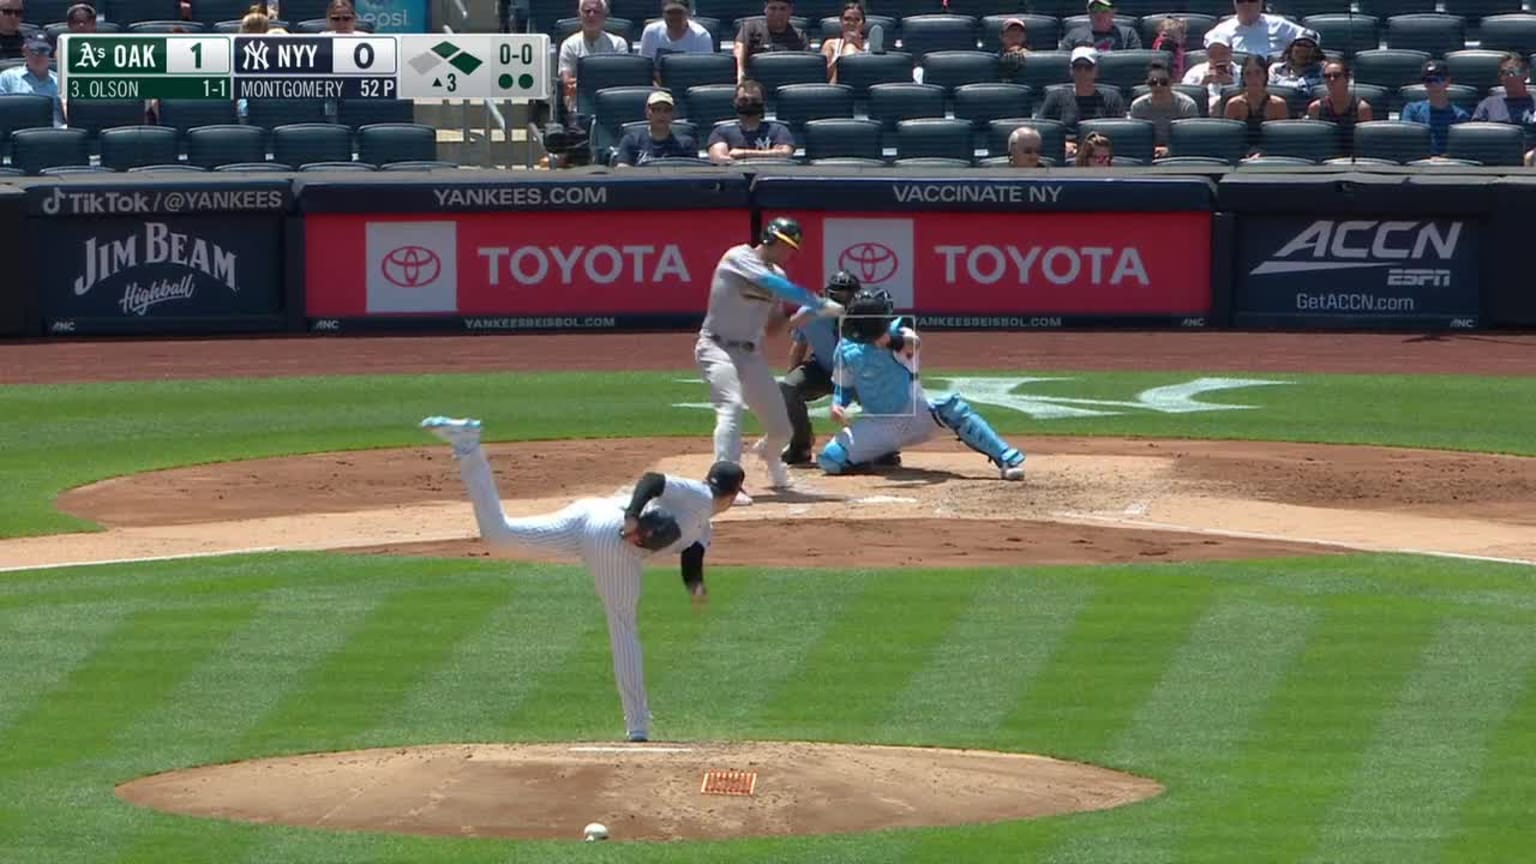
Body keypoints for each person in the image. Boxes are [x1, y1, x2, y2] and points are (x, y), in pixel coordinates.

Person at [420, 415, 746, 743]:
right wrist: (633, 518)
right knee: (623, 627)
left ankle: (468, 446)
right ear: (732, 497)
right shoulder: (700, 496)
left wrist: (696, 587)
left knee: (500, 538)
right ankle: (638, 726)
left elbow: (692, 558)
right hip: (613, 536)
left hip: (588, 516)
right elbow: (652, 479)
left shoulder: (703, 526)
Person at [696, 217, 845, 501]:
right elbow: (773, 284)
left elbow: (774, 329)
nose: (789, 253)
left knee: (781, 428)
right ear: (769, 239)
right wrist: (819, 302)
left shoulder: (779, 274)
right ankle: (724, 483)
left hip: (749, 354)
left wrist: (810, 313)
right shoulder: (738, 257)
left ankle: (769, 456)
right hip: (716, 348)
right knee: (730, 406)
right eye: (785, 245)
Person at [816, 289, 1026, 481]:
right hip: (877, 425)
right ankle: (873, 455)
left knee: (953, 408)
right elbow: (844, 387)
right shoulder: (846, 349)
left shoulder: (903, 335)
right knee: (830, 460)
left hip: (917, 416)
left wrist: (889, 341)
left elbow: (913, 345)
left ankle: (1006, 458)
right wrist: (837, 404)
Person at [777, 270, 870, 466]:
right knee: (788, 388)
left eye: (849, 295)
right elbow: (799, 344)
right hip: (823, 369)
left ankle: (883, 447)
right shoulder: (808, 313)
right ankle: (801, 445)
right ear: (827, 294)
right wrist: (789, 386)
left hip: (858, 375)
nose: (843, 301)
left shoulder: (868, 316)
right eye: (838, 295)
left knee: (881, 394)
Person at [1036, 46, 1126, 156]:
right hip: (1066, 155)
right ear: (1071, 70)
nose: (1082, 72)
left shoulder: (1112, 98)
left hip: (1099, 157)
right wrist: (1061, 145)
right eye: (1077, 67)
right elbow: (1040, 130)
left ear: (1096, 71)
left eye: (1087, 67)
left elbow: (1120, 135)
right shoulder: (1055, 97)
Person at [559, 0, 631, 117]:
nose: (591, 15)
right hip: (580, 108)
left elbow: (622, 81)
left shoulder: (618, 43)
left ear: (604, 16)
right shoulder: (569, 45)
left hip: (612, 105)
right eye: (587, 11)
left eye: (596, 12)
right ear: (579, 14)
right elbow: (566, 82)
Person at [706, 78, 794, 164]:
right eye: (743, 100)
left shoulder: (778, 130)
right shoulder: (721, 132)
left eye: (754, 100)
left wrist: (741, 154)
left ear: (763, 103)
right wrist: (771, 154)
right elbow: (719, 159)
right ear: (735, 103)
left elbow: (785, 154)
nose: (749, 104)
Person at [1472, 52, 1536, 164]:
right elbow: (1476, 139)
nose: (1507, 77)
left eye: (1513, 72)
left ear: (1525, 75)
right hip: (1493, 161)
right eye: (1503, 73)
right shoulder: (1488, 104)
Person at [1305, 56, 1372, 158]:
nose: (1331, 79)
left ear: (1347, 78)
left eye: (1336, 76)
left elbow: (1364, 144)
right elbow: (1314, 142)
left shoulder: (1362, 108)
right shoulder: (1315, 108)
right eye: (1327, 76)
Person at [1401, 59, 1469, 157]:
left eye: (1438, 79)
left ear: (1447, 81)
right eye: (1429, 80)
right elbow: (1408, 142)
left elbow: (1460, 148)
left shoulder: (1460, 115)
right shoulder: (1412, 111)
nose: (1433, 84)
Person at [1131, 59, 1199, 156]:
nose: (1158, 86)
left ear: (1171, 82)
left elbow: (1191, 139)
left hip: (1179, 154)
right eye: (1153, 82)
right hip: (1147, 154)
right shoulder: (1138, 107)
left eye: (1163, 82)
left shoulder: (1186, 106)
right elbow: (1136, 139)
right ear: (1147, 83)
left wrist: (1169, 150)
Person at [1224, 54, 1288, 156]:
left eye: (1258, 73)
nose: (1253, 78)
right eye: (1248, 74)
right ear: (1243, 77)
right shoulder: (1234, 105)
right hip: (1240, 156)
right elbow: (1229, 141)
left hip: (1270, 156)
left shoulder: (1278, 105)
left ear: (1265, 75)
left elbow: (1281, 140)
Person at [1204, 0, 1307, 62]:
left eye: (1252, 0)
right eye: (1241, 1)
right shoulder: (1223, 29)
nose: (1246, 4)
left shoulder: (1278, 24)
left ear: (1261, 2)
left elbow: (1310, 37)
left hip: (1275, 79)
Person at [613, 90, 697, 165]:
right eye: (656, 110)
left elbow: (694, 175)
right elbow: (623, 171)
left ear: (673, 114)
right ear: (647, 113)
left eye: (666, 110)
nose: (661, 115)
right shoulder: (631, 141)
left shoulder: (686, 145)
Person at [733, 0, 807, 82]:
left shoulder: (799, 36)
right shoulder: (751, 28)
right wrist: (740, 74)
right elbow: (739, 47)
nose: (777, 13)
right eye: (773, 8)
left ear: (790, 11)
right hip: (756, 82)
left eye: (783, 9)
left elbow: (807, 64)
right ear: (765, 9)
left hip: (789, 82)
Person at [0, 35, 62, 126]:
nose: (38, 55)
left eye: (44, 51)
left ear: (50, 53)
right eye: (34, 51)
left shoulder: (61, 82)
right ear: (24, 51)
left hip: (53, 132)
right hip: (16, 130)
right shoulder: (8, 78)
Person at [639, 0, 713, 62]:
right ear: (663, 14)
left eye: (679, 12)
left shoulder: (701, 36)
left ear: (688, 13)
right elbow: (645, 67)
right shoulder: (651, 32)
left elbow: (704, 71)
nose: (674, 16)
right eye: (670, 12)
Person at [1183, 30, 1236, 114]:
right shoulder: (1194, 73)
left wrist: (1231, 87)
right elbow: (1185, 100)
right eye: (1213, 54)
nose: (1219, 58)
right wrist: (1202, 85)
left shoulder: (1242, 72)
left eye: (1223, 53)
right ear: (1207, 54)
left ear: (1231, 52)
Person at [1058, 0, 1141, 52]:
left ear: (1113, 12)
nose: (1098, 15)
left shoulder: (1128, 34)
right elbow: (1061, 61)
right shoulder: (1074, 35)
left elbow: (1135, 65)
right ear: (1088, 13)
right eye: (1094, 11)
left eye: (1103, 10)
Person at [821, 1, 867, 84]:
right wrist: (839, 60)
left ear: (863, 24)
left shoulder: (870, 46)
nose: (852, 23)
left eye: (857, 20)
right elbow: (823, 76)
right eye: (847, 19)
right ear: (841, 21)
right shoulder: (830, 44)